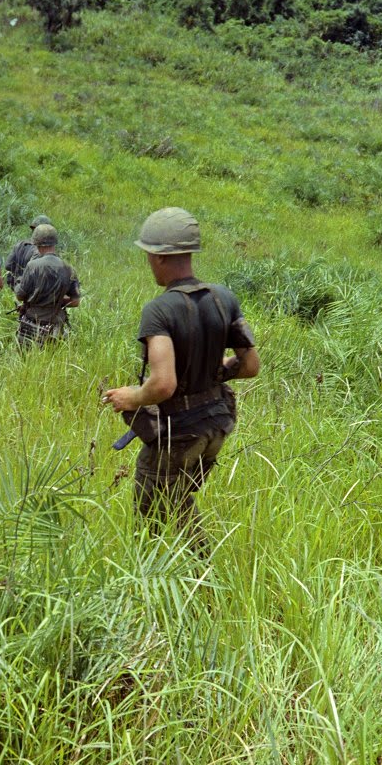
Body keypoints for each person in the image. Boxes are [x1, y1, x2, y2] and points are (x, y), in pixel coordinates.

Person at [104, 207, 259, 544]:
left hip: (179, 434)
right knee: (177, 501)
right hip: (215, 429)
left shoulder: (159, 310)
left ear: (158, 257)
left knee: (157, 521)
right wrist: (215, 371)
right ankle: (191, 582)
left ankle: (200, 580)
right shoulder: (224, 299)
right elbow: (250, 366)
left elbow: (163, 384)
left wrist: (131, 396)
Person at [15, 223, 81, 346]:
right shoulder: (68, 268)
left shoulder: (32, 266)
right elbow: (75, 301)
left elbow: (20, 295)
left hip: (32, 323)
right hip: (55, 325)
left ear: (36, 243)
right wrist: (56, 300)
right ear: (54, 243)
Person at [5, 214, 51, 292]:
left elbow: (8, 265)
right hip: (32, 292)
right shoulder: (42, 250)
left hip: (16, 288)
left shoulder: (20, 244)